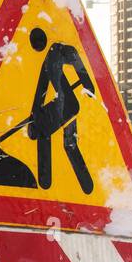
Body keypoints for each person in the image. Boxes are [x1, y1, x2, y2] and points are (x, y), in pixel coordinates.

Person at [27, 27, 95, 195]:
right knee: (52, 135)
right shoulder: (48, 60)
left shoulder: (58, 50)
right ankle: (45, 182)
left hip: (67, 106)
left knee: (66, 141)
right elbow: (41, 87)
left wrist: (88, 86)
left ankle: (86, 186)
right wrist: (34, 113)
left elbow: (75, 58)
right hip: (64, 106)